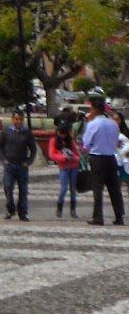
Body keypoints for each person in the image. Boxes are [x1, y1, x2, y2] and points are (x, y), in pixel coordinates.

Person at [81, 94, 126, 227]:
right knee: (114, 188)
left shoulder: (93, 124)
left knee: (97, 188)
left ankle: (98, 217)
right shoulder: (112, 123)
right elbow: (116, 141)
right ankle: (119, 216)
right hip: (110, 157)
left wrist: (86, 149)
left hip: (97, 157)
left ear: (94, 109)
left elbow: (86, 143)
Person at [0, 108, 37, 222]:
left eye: (21, 119)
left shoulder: (27, 133)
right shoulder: (6, 132)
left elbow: (33, 149)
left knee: (23, 190)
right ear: (12, 119)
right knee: (8, 187)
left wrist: (29, 162)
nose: (18, 121)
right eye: (16, 119)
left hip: (22, 165)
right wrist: (3, 159)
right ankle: (10, 209)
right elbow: (0, 146)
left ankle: (23, 213)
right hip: (9, 164)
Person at [47, 118, 82, 220]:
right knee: (63, 188)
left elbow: (76, 154)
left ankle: (73, 210)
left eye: (64, 133)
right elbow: (51, 155)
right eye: (60, 133)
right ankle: (59, 207)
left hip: (73, 166)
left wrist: (74, 158)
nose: (62, 135)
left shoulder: (70, 141)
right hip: (63, 167)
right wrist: (63, 158)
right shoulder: (54, 141)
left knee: (73, 189)